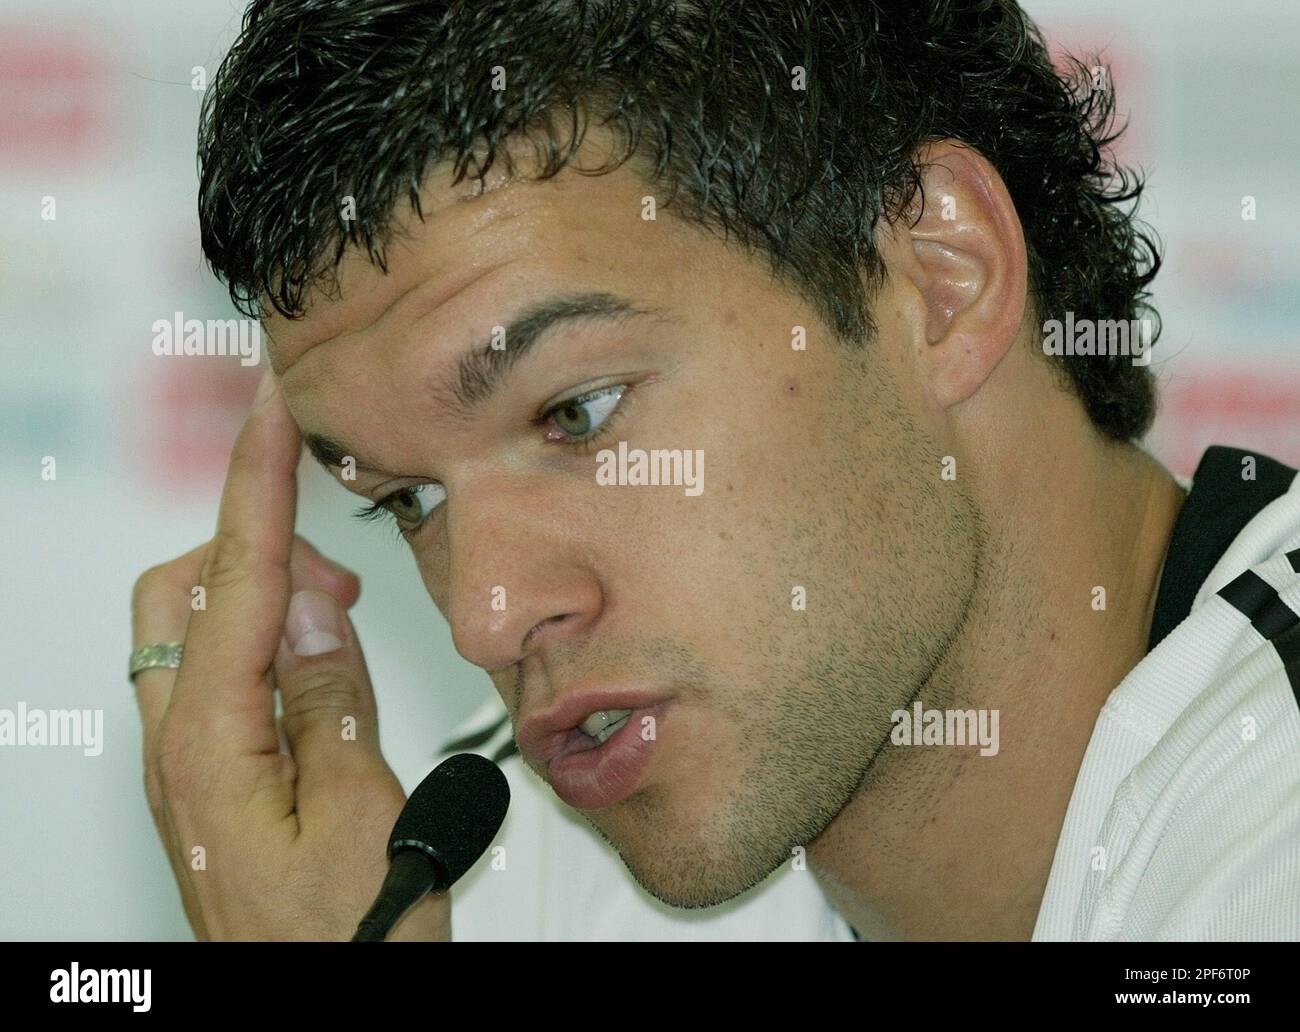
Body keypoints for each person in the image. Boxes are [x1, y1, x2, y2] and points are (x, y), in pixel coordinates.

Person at [129, 0, 1300, 940]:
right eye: (408, 501)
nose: (485, 617)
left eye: (576, 413)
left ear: (943, 280)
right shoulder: (458, 887)